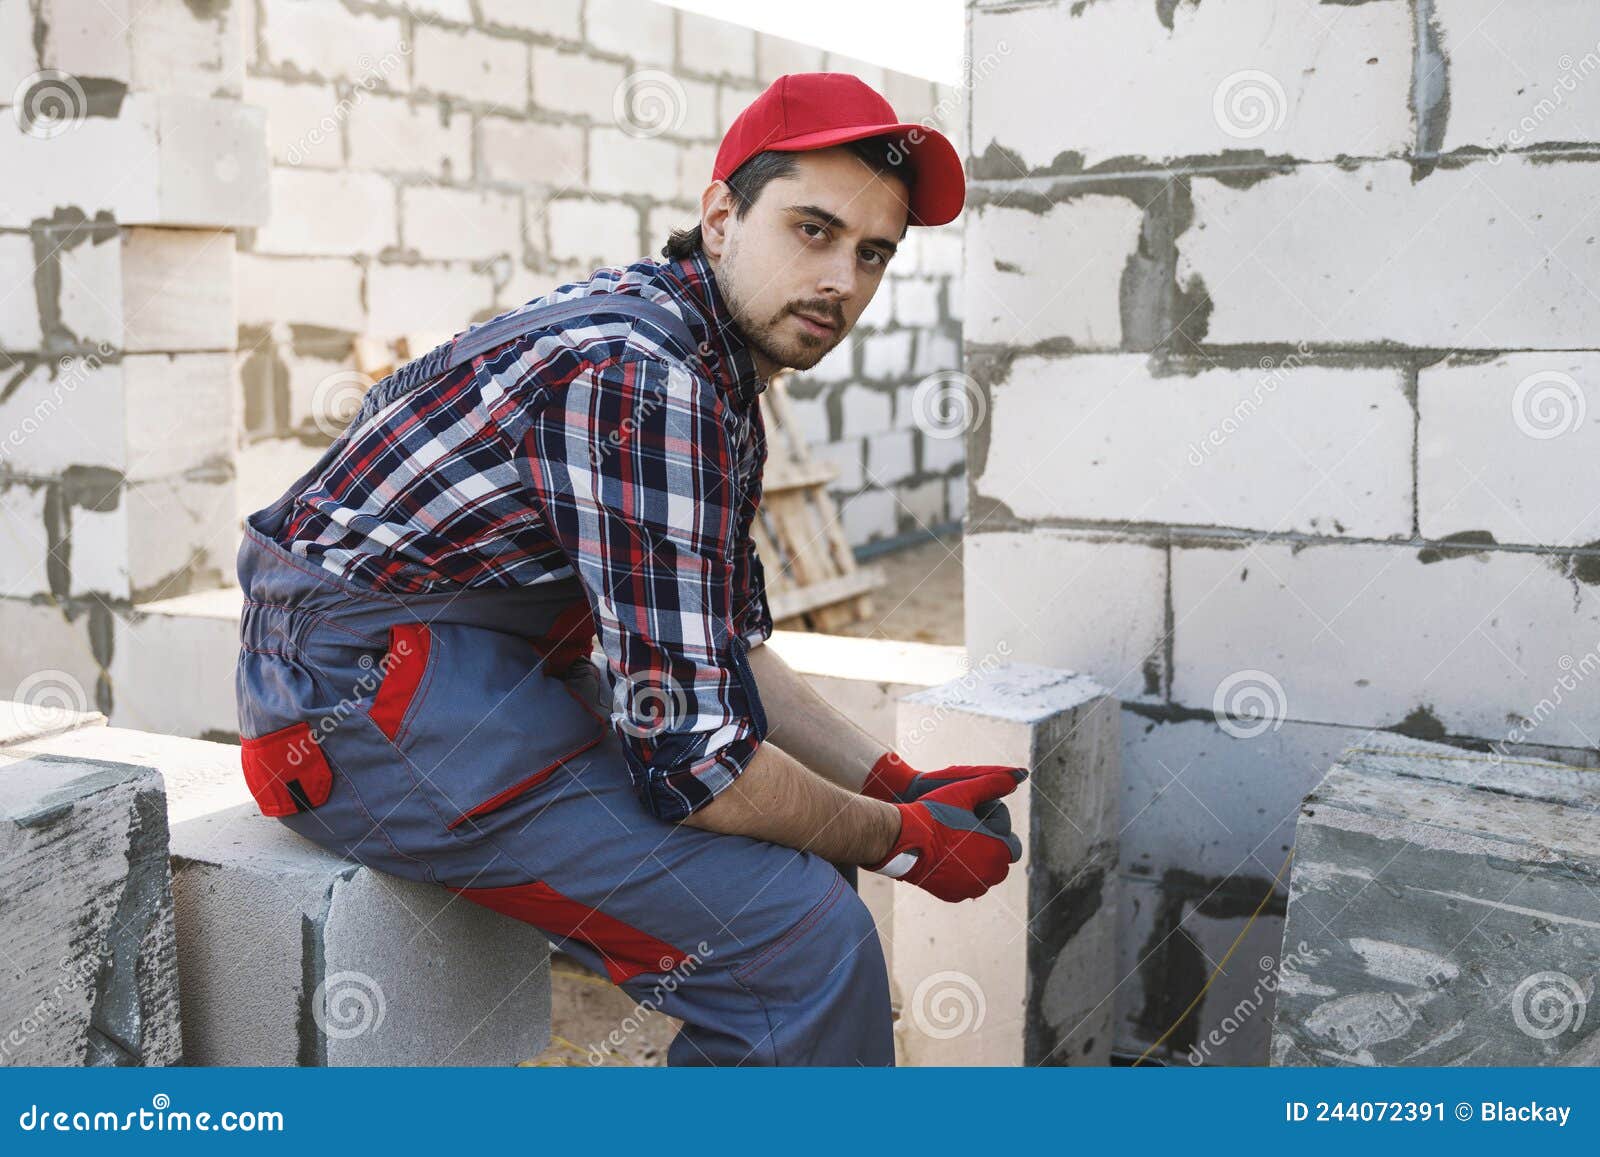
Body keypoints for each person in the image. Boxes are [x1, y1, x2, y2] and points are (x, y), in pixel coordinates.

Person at [233, 71, 1025, 1066]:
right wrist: (901, 835)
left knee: (805, 874)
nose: (842, 282)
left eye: (872, 254)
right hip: (355, 710)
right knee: (799, 944)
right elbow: (702, 770)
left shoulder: (704, 356)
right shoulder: (646, 377)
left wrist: (894, 779)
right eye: (812, 230)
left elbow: (722, 651)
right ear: (722, 214)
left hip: (462, 664)